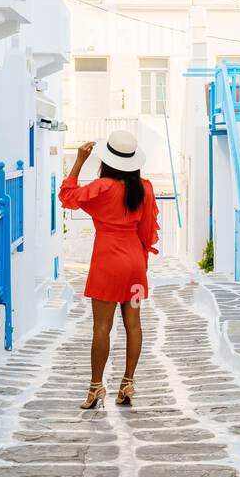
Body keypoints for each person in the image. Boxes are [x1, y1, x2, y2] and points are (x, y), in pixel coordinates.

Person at [59, 130, 159, 409]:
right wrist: (139, 263)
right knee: (134, 326)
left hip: (107, 263)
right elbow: (148, 232)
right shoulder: (145, 188)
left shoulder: (101, 188)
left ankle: (95, 388)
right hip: (134, 266)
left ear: (108, 161)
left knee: (102, 327)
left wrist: (79, 161)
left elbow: (67, 197)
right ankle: (127, 382)